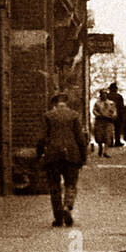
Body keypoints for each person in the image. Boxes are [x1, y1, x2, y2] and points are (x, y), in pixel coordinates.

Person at [38, 90, 89, 227]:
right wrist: (83, 157)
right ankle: (68, 206)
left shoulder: (48, 116)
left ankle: (58, 217)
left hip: (53, 156)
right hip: (72, 155)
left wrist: (39, 155)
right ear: (66, 102)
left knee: (54, 187)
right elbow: (80, 139)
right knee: (71, 184)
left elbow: (42, 138)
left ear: (54, 103)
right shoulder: (74, 115)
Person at [92, 87, 116, 158]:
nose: (104, 95)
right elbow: (94, 111)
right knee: (99, 136)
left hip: (108, 121)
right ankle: (100, 147)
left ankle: (106, 151)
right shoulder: (97, 103)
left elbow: (114, 111)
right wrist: (98, 115)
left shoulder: (111, 103)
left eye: (105, 94)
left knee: (107, 136)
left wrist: (113, 115)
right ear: (100, 95)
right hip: (100, 121)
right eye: (103, 94)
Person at [107, 83, 126, 147]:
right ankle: (117, 142)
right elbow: (122, 107)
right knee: (117, 129)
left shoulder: (107, 96)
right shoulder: (119, 96)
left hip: (108, 115)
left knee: (109, 129)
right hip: (118, 115)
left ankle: (110, 142)